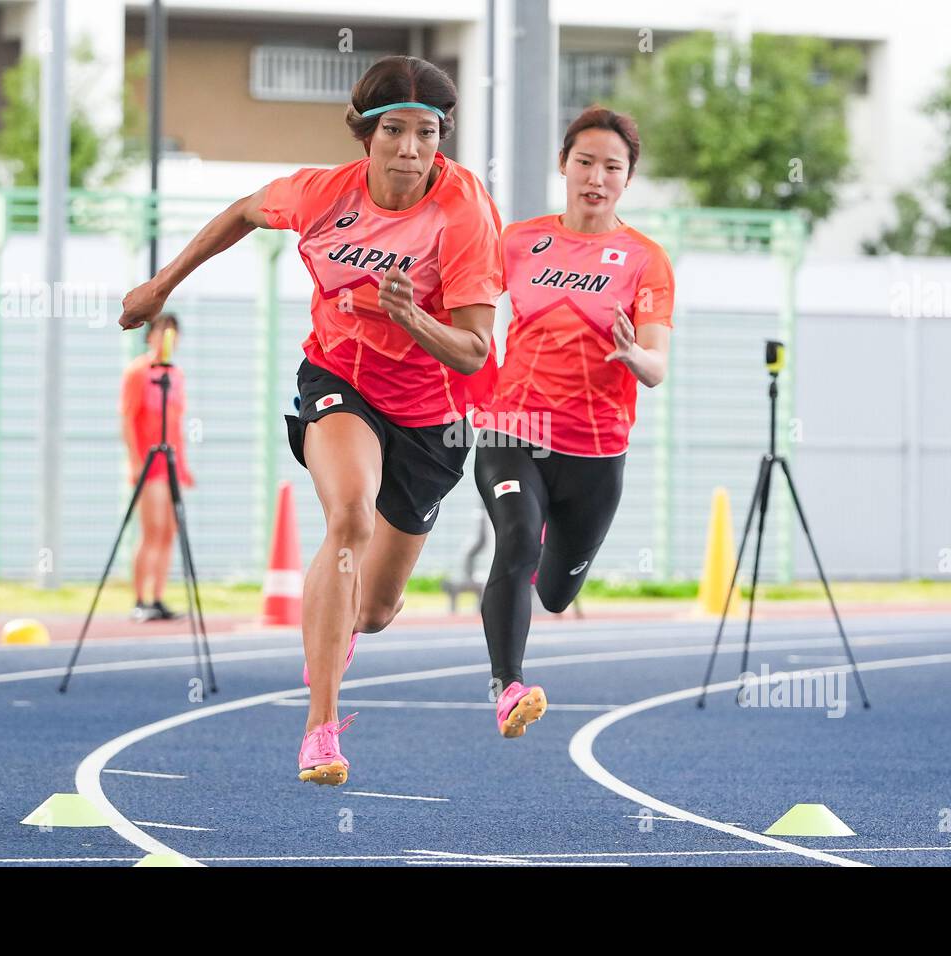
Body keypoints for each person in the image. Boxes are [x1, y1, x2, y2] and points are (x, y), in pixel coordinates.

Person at [117, 56, 503, 786]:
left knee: (380, 610)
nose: (412, 151)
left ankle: (336, 631)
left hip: (431, 412)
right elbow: (239, 213)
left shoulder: (464, 214)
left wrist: (411, 316)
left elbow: (474, 350)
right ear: (366, 133)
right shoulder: (324, 194)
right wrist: (160, 284)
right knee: (349, 515)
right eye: (395, 131)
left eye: (428, 134)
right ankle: (321, 727)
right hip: (340, 378)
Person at [474, 106, 675, 738]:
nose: (596, 177)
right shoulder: (516, 241)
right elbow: (467, 316)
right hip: (514, 432)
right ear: (564, 164)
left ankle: (546, 600)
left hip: (594, 452)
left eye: (611, 167)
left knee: (556, 592)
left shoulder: (645, 259)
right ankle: (509, 686)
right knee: (515, 540)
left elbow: (657, 365)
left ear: (628, 178)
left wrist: (631, 353)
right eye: (585, 162)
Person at [120, 312, 195, 622]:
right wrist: (136, 461)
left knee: (168, 531)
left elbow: (176, 423)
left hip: (171, 462)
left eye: (174, 332)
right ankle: (140, 598)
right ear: (150, 335)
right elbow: (127, 418)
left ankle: (159, 595)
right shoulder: (138, 372)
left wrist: (183, 466)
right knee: (151, 530)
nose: (170, 337)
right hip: (148, 461)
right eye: (164, 330)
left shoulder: (176, 375)